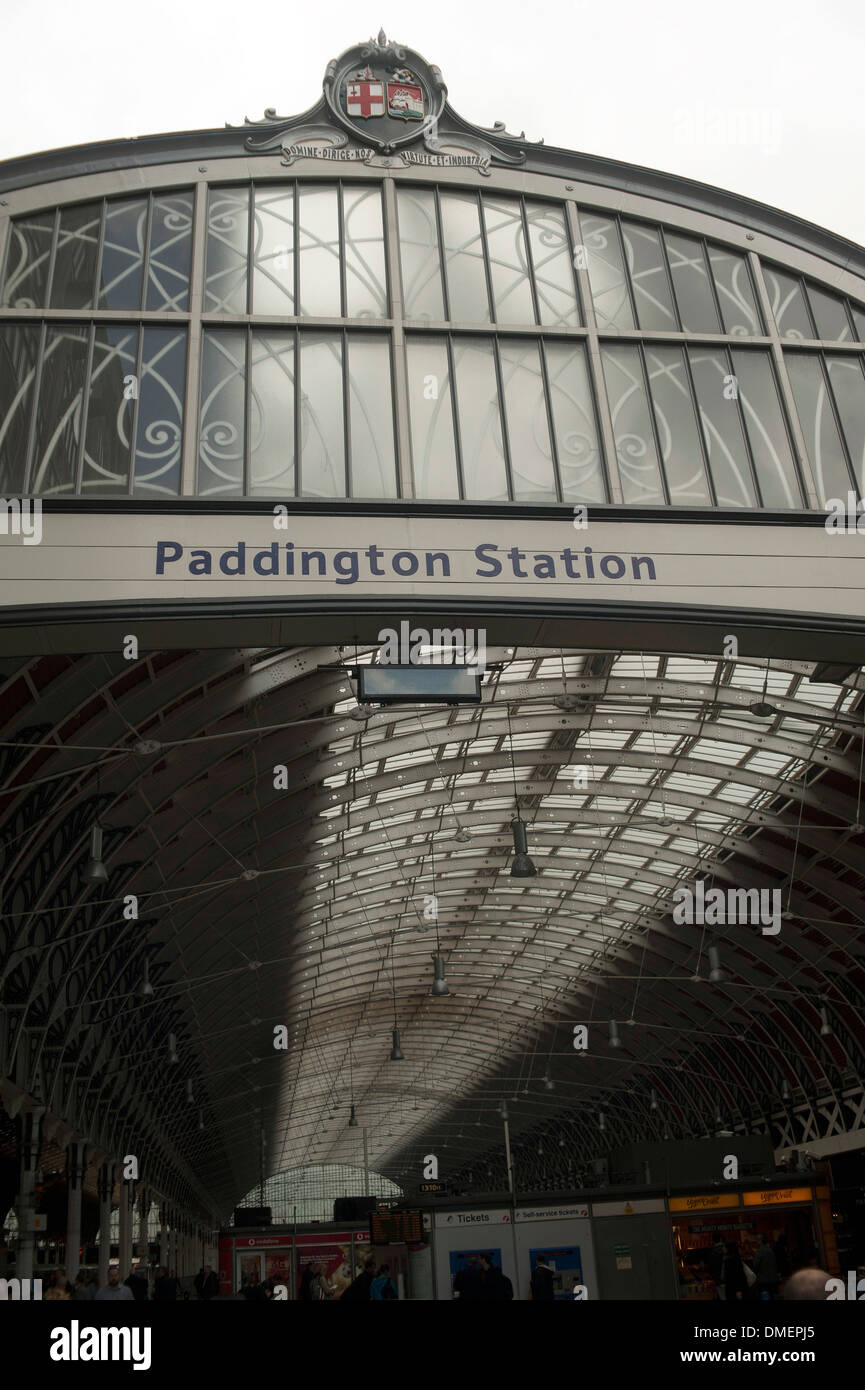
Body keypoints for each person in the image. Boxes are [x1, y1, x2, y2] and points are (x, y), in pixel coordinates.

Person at [752, 1235, 779, 1300]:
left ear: (760, 1241)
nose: (756, 1242)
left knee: (765, 1298)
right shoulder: (771, 1250)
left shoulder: (758, 1252)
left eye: (757, 1240)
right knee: (772, 1297)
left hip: (763, 1280)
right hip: (773, 1279)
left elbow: (755, 1266)